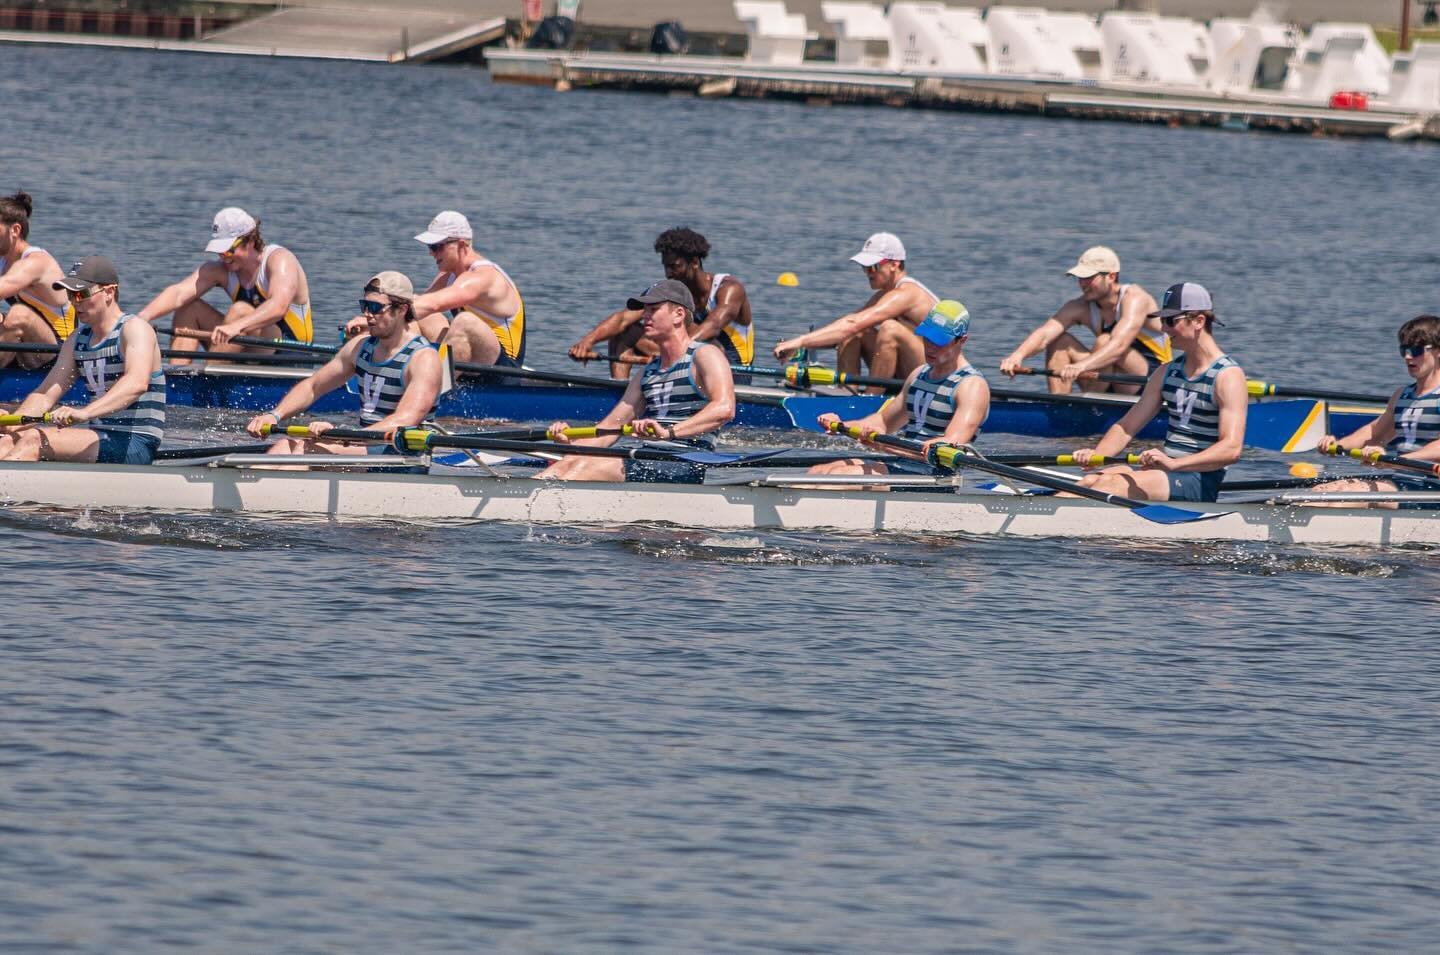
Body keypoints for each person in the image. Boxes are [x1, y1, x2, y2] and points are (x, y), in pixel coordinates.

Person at [539, 279, 735, 483]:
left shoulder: (705, 355)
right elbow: (609, 429)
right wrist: (570, 444)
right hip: (650, 459)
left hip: (685, 463)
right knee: (571, 460)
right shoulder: (647, 373)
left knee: (583, 466)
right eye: (645, 310)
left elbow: (724, 409)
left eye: (654, 309)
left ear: (678, 314)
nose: (645, 316)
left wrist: (669, 432)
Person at [1071, 282, 1245, 503]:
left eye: (1171, 321)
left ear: (1199, 321)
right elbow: (1127, 426)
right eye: (1163, 321)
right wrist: (1097, 456)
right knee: (1090, 481)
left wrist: (1175, 464)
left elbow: (1231, 449)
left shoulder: (1227, 376)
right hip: (1166, 471)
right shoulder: (1166, 372)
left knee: (1108, 486)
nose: (1164, 329)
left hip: (1199, 479)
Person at [245, 272, 441, 455]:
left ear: (402, 310)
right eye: (364, 306)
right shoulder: (361, 347)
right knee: (283, 446)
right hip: (364, 444)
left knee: (309, 448)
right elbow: (313, 386)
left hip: (400, 452)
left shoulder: (423, 359)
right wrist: (274, 415)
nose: (368, 314)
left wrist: (341, 436)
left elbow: (405, 419)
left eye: (375, 308)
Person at [0, 256, 166, 464]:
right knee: (7, 440)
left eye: (81, 293)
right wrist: (12, 424)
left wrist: (85, 413)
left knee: (34, 439)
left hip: (136, 441)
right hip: (99, 436)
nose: (75, 301)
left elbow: (136, 384)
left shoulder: (135, 329)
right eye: (71, 294)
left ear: (109, 292)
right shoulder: (77, 340)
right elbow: (45, 394)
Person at [812, 300, 989, 477]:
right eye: (927, 337)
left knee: (838, 476)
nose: (930, 347)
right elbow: (882, 422)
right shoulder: (919, 374)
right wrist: (840, 425)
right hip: (902, 464)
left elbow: (950, 444)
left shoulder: (972, 386)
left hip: (935, 476)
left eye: (939, 341)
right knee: (818, 471)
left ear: (961, 340)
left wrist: (885, 445)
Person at [568, 227, 755, 379]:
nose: (668, 273)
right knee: (624, 332)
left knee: (701, 339)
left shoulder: (729, 289)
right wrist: (587, 342)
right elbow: (622, 319)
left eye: (675, 266)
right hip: (685, 360)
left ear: (695, 262)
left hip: (729, 371)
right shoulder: (668, 290)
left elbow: (711, 328)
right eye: (665, 266)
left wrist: (670, 351)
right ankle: (621, 395)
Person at [136, 207, 314, 363]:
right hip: (246, 345)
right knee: (188, 307)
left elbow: (278, 307)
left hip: (290, 353)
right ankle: (179, 377)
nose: (223, 256)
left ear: (250, 241)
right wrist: (142, 318)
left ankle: (210, 375)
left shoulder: (280, 260)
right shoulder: (221, 270)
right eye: (219, 251)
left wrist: (237, 326)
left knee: (240, 310)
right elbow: (178, 293)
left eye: (229, 250)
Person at [772, 232, 938, 391]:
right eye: (864, 267)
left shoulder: (907, 293)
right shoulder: (885, 295)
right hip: (911, 372)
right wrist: (801, 346)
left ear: (894, 264)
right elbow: (848, 324)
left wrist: (801, 341)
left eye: (872, 267)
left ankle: (870, 399)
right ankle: (847, 393)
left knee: (889, 329)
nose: (867, 273)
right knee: (856, 331)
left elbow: (852, 324)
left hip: (935, 378)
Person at [999, 246, 1168, 395]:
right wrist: (1017, 356)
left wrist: (1081, 366)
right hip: (1106, 378)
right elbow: (1045, 334)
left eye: (1089, 278)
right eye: (1080, 278)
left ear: (1111, 276)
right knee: (1059, 341)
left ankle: (1089, 402)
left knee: (1104, 341)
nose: (1082, 284)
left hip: (1152, 380)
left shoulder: (1135, 298)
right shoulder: (1081, 306)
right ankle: (1060, 406)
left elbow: (1119, 345)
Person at [1311, 314, 1440, 508]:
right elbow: (1374, 433)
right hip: (1403, 481)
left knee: (1342, 500)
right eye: (1404, 350)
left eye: (1416, 350)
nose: (1408, 356)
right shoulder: (1402, 395)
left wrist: (1395, 460)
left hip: (1432, 489)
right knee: (1319, 492)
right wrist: (1337, 446)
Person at [406, 211, 526, 367]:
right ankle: (397, 368)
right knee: (421, 314)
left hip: (504, 369)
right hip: (475, 360)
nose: (431, 253)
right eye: (430, 247)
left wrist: (390, 313)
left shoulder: (484, 277)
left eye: (437, 247)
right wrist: (378, 316)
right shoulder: (448, 276)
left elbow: (434, 304)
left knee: (465, 322)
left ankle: (432, 378)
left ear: (461, 245)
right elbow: (420, 304)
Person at [0, 192, 76, 369]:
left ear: (15, 230)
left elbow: (4, 286)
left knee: (19, 314)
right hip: (30, 346)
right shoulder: (4, 260)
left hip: (60, 351)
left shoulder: (36, 262)